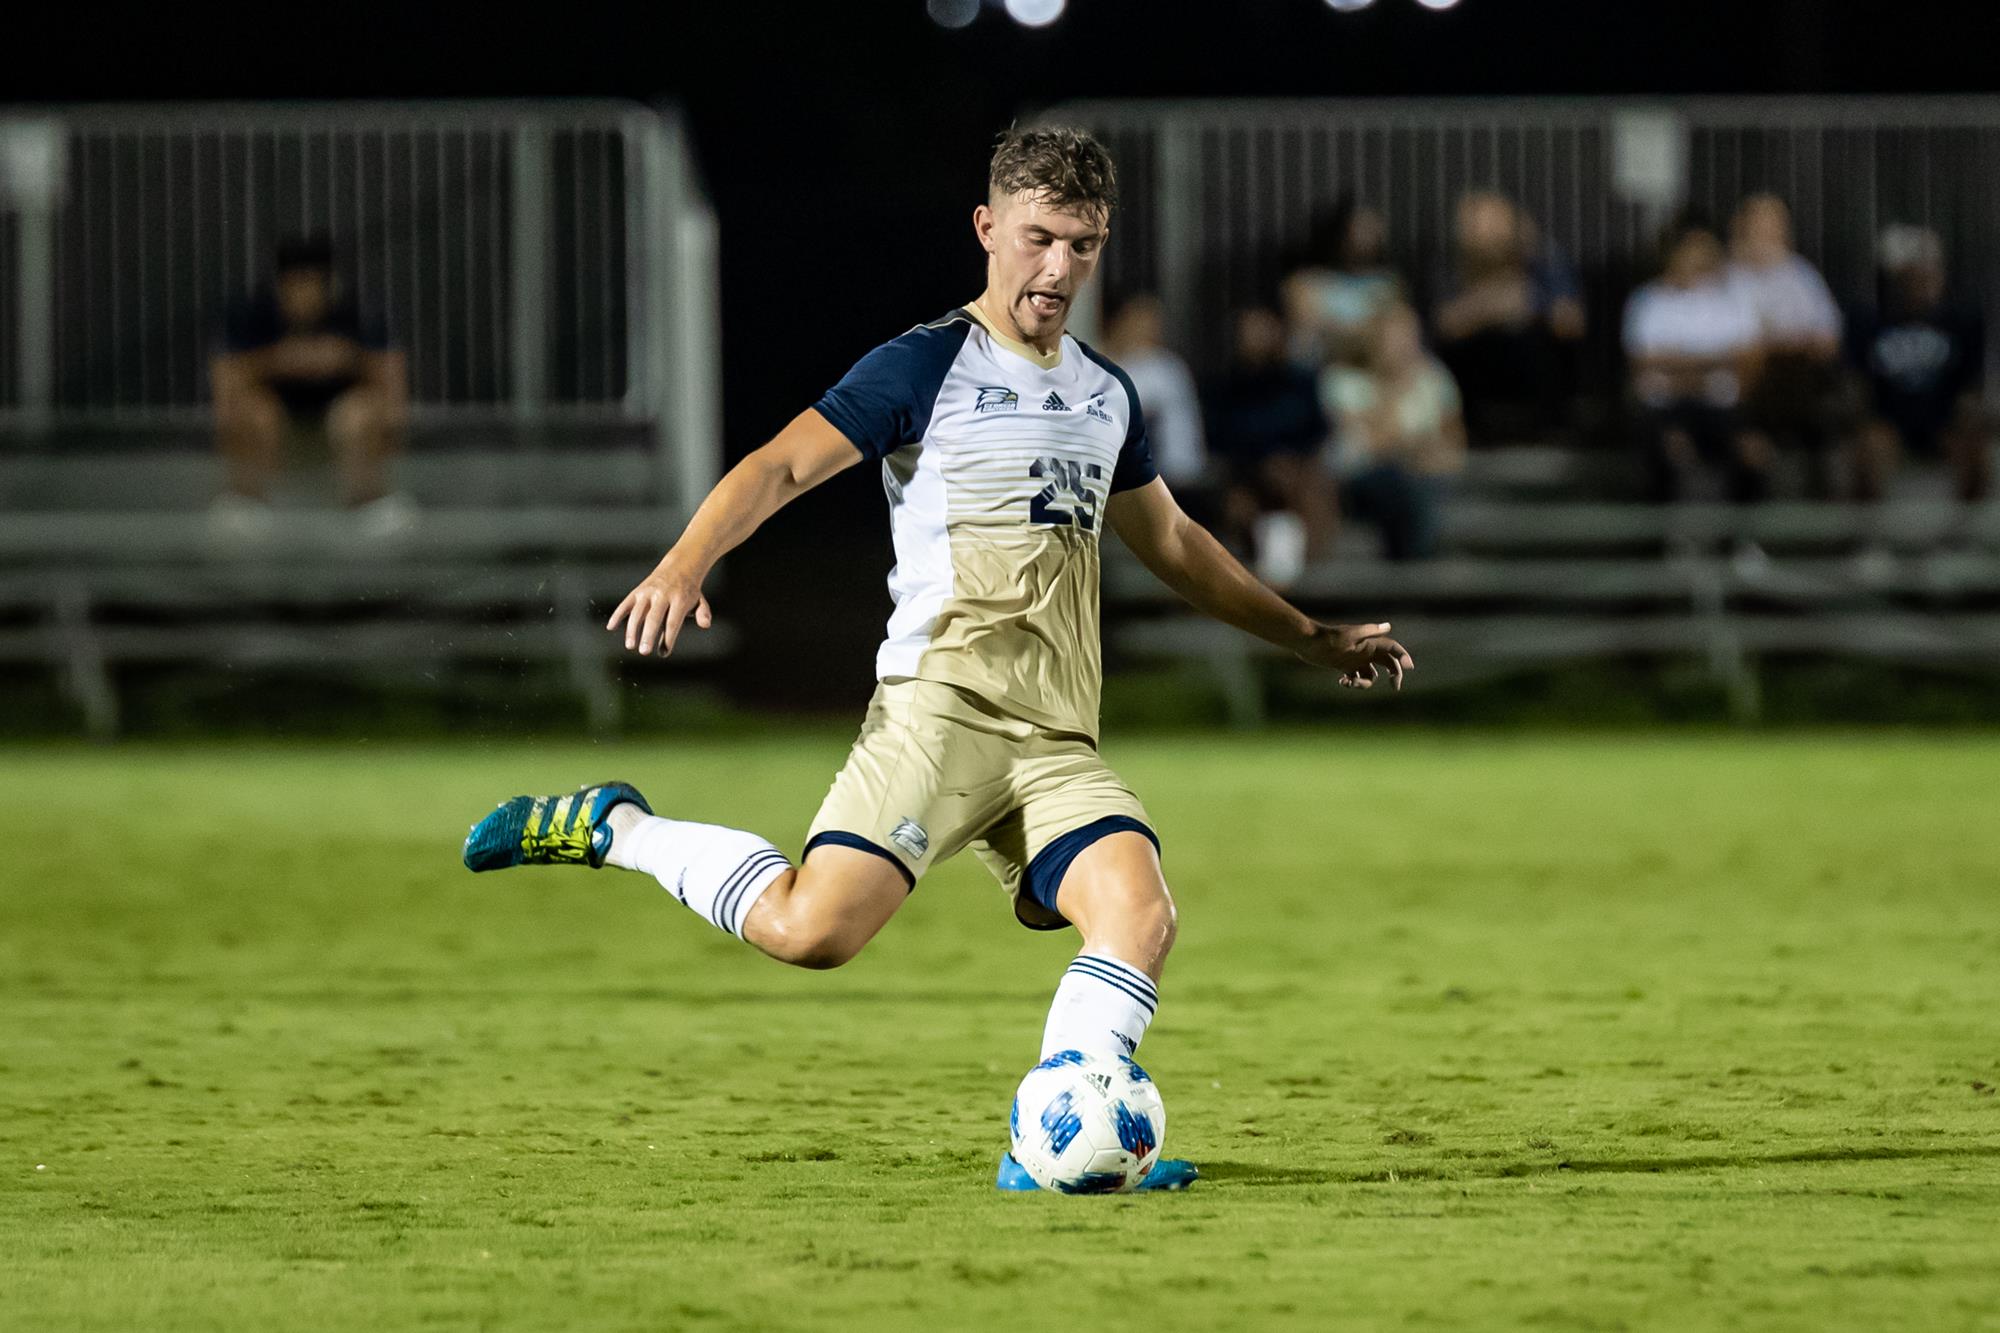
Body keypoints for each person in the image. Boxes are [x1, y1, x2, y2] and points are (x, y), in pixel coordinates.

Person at [457, 127, 1413, 1192]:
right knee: (808, 932)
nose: (1057, 269)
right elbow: (778, 465)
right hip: (940, 714)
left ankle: (1049, 1143)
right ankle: (617, 829)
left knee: (1140, 913)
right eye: (1039, 238)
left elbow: (1176, 545)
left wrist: (1310, 638)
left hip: (1053, 735)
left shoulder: (1106, 396)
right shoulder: (926, 364)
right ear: (988, 228)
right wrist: (686, 562)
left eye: (1083, 245)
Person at [209, 237, 413, 540]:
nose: (302, 295)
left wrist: (348, 359)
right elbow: (226, 383)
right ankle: (246, 501)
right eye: (294, 285)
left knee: (359, 414)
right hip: (277, 416)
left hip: (340, 414)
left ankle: (368, 501)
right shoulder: (252, 313)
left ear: (329, 286)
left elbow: (392, 381)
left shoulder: (359, 312)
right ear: (280, 286)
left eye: (311, 285)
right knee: (252, 411)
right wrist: (276, 361)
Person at [1622, 213, 1770, 571]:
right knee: (1669, 448)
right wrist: (1712, 363)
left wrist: (1677, 364)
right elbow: (1643, 362)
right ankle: (1669, 541)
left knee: (1753, 453)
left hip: (1720, 410)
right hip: (1665, 410)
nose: (1698, 260)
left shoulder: (1732, 301)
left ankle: (1741, 540)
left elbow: (1748, 360)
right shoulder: (1648, 301)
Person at [1847, 225, 1991, 559]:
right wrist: (1862, 415)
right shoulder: (1869, 320)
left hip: (1942, 416)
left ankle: (1960, 542)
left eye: (1929, 270)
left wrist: (1969, 415)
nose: (1923, 280)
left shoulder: (1961, 319)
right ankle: (1871, 544)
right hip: (1889, 416)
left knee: (1972, 442)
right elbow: (1857, 381)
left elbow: (1971, 385)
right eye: (1912, 273)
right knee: (1869, 443)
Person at [1432, 191, 1585, 443]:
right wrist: (1494, 304)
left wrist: (1531, 307)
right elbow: (1445, 325)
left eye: (1493, 226)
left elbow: (1571, 322)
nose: (1485, 236)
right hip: (1477, 369)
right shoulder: (1451, 268)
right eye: (1474, 227)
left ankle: (1550, 429)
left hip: (1530, 363)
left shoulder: (1544, 262)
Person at [1203, 306, 1340, 583]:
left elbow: (1318, 431)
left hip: (1298, 473)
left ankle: (1307, 579)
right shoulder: (1224, 388)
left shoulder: (1301, 383)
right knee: (1239, 507)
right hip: (1245, 475)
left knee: (1311, 495)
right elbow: (1217, 439)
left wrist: (1289, 463)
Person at [1322, 303, 1467, 561]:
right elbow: (1369, 444)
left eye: (1410, 336)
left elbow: (1454, 443)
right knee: (1399, 483)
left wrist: (1429, 455)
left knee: (1422, 489)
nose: (1404, 345)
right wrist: (1395, 388)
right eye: (1394, 337)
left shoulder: (1434, 378)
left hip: (1427, 478)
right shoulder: (1344, 381)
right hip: (1361, 482)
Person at [1726, 194, 1844, 487]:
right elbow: (1729, 344)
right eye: (1758, 226)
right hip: (1743, 387)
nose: (1766, 235)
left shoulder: (1801, 276)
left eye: (1773, 227)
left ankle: (1824, 518)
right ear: (1742, 229)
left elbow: (1828, 340)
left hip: (1797, 383)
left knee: (1824, 413)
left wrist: (1781, 345)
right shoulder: (1726, 277)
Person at [1099, 294, 1207, 489]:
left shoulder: (1162, 366)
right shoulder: (1113, 363)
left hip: (1176, 477)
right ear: (1119, 323)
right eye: (1139, 321)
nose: (1149, 329)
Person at [1280, 198, 1402, 369]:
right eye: (1359, 228)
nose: (1367, 237)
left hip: (1372, 373)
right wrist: (1363, 333)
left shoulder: (1388, 283)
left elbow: (1394, 334)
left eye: (1372, 229)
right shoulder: (1305, 282)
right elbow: (1305, 338)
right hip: (1316, 374)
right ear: (1340, 232)